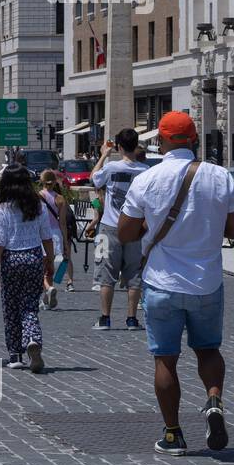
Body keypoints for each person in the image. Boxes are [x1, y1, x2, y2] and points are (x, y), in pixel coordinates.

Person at [117, 111, 234, 456]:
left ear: (160, 141)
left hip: (161, 283)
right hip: (206, 282)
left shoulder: (147, 179)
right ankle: (214, 399)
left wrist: (149, 227)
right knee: (208, 350)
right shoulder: (220, 177)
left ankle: (173, 434)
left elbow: (126, 232)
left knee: (165, 359)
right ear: (193, 139)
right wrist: (206, 227)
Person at [0, 168, 57, 372]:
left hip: (11, 258)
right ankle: (33, 339)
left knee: (11, 307)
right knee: (29, 305)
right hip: (34, 257)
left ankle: (15, 354)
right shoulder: (38, 206)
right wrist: (50, 261)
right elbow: (47, 236)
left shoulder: (2, 209)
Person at [89, 128, 148, 331]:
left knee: (106, 273)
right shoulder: (145, 171)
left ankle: (105, 318)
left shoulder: (112, 167)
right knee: (135, 274)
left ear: (119, 147)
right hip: (135, 228)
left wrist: (104, 154)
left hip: (109, 227)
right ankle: (131, 318)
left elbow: (94, 177)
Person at [38, 169, 74, 302]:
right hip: (56, 234)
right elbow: (63, 223)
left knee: (41, 268)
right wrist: (65, 242)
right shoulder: (60, 199)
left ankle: (47, 290)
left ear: (41, 181)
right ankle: (47, 295)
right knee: (50, 268)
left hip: (41, 233)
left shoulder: (37, 197)